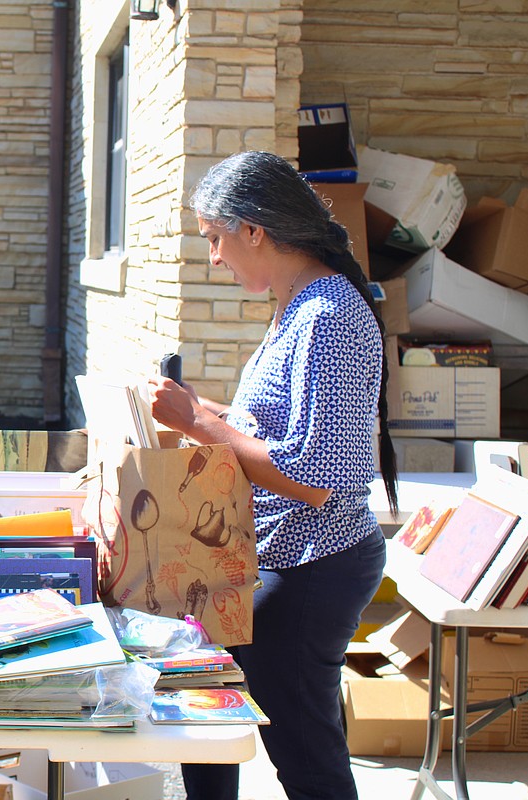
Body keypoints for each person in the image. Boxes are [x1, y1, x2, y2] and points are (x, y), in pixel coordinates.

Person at [148, 151, 399, 800]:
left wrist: (202, 427)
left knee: (305, 756)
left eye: (214, 239)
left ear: (253, 230)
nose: (214, 258)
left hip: (313, 564)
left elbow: (312, 476)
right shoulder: (300, 305)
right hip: (276, 556)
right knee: (201, 706)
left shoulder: (328, 318)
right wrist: (208, 413)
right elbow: (279, 433)